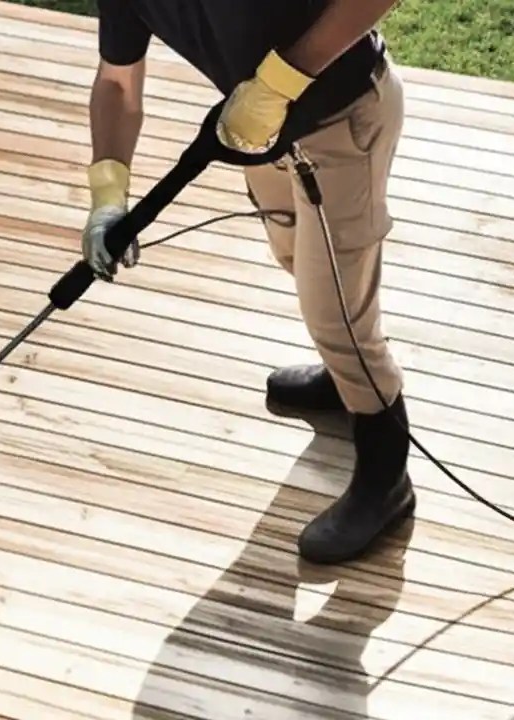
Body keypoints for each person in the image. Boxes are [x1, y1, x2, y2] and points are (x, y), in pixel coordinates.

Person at [81, 0, 414, 565]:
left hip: (344, 120)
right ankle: (344, 381)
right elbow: (117, 82)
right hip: (262, 133)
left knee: (336, 313)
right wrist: (108, 192)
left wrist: (279, 82)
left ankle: (386, 482)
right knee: (295, 258)